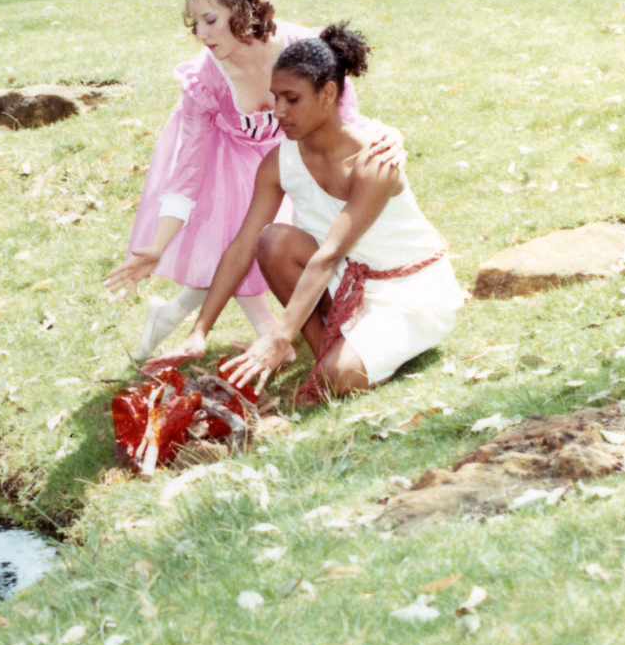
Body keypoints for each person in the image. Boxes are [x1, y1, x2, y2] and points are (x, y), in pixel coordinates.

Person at [103, 0, 404, 361]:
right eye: (196, 23)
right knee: (233, 231)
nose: (202, 34)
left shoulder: (302, 50)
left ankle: (206, 319)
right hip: (226, 153)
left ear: (241, 11)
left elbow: (344, 119)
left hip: (293, 153)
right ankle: (260, 330)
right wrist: (156, 247)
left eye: (211, 20)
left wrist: (389, 136)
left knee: (310, 235)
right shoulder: (206, 78)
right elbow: (187, 173)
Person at [154, 24, 464, 404]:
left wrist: (279, 335)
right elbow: (242, 247)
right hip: (345, 285)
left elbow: (329, 254)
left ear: (328, 94)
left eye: (291, 99)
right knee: (272, 240)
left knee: (338, 379)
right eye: (275, 97)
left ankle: (343, 363)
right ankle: (328, 354)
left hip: (409, 293)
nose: (277, 111)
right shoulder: (278, 162)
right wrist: (198, 332)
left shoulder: (374, 161)